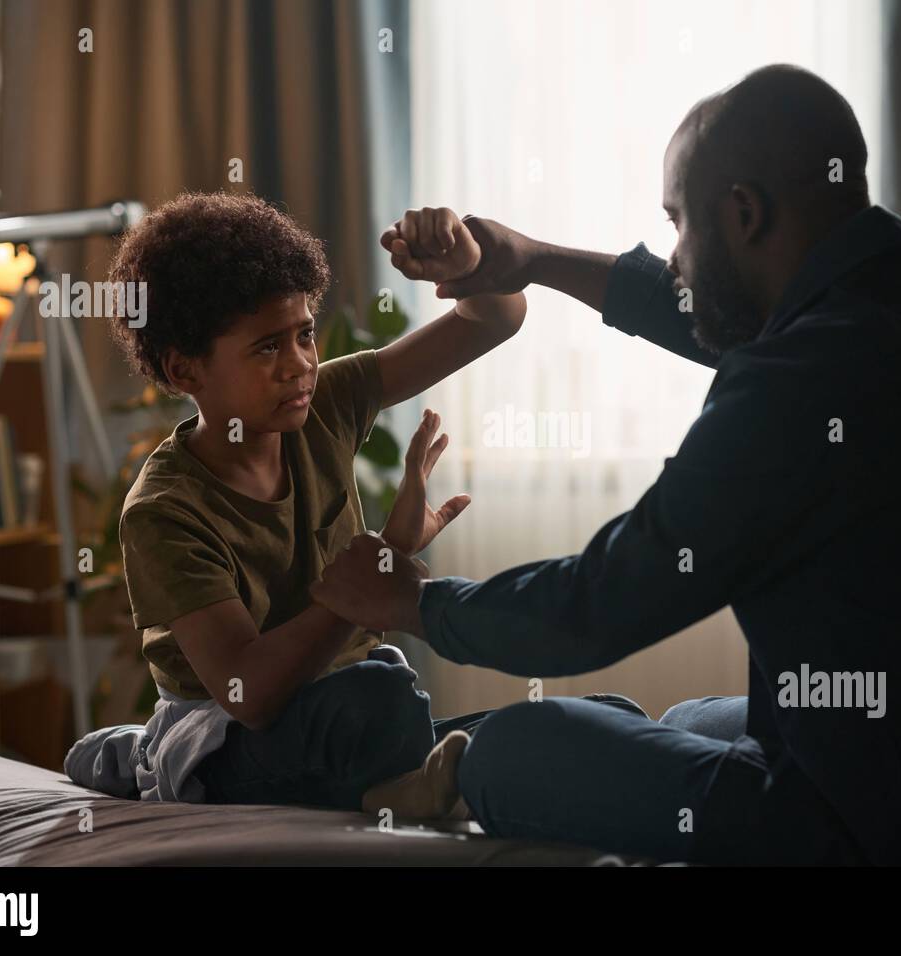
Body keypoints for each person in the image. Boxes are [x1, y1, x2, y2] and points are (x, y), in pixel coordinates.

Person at [312, 64, 901, 864]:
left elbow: (602, 602)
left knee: (513, 746)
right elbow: (761, 328)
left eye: (678, 226)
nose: (674, 259)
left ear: (743, 213)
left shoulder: (790, 390)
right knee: (693, 721)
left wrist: (418, 602)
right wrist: (535, 261)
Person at [87, 190, 645, 815]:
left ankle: (409, 780)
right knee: (377, 694)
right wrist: (383, 561)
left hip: (354, 722)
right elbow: (250, 692)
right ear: (186, 371)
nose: (300, 365)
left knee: (601, 721)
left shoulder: (326, 402)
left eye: (303, 335)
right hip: (237, 743)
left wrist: (463, 266)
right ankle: (394, 788)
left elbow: (494, 318)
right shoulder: (163, 511)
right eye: (268, 347)